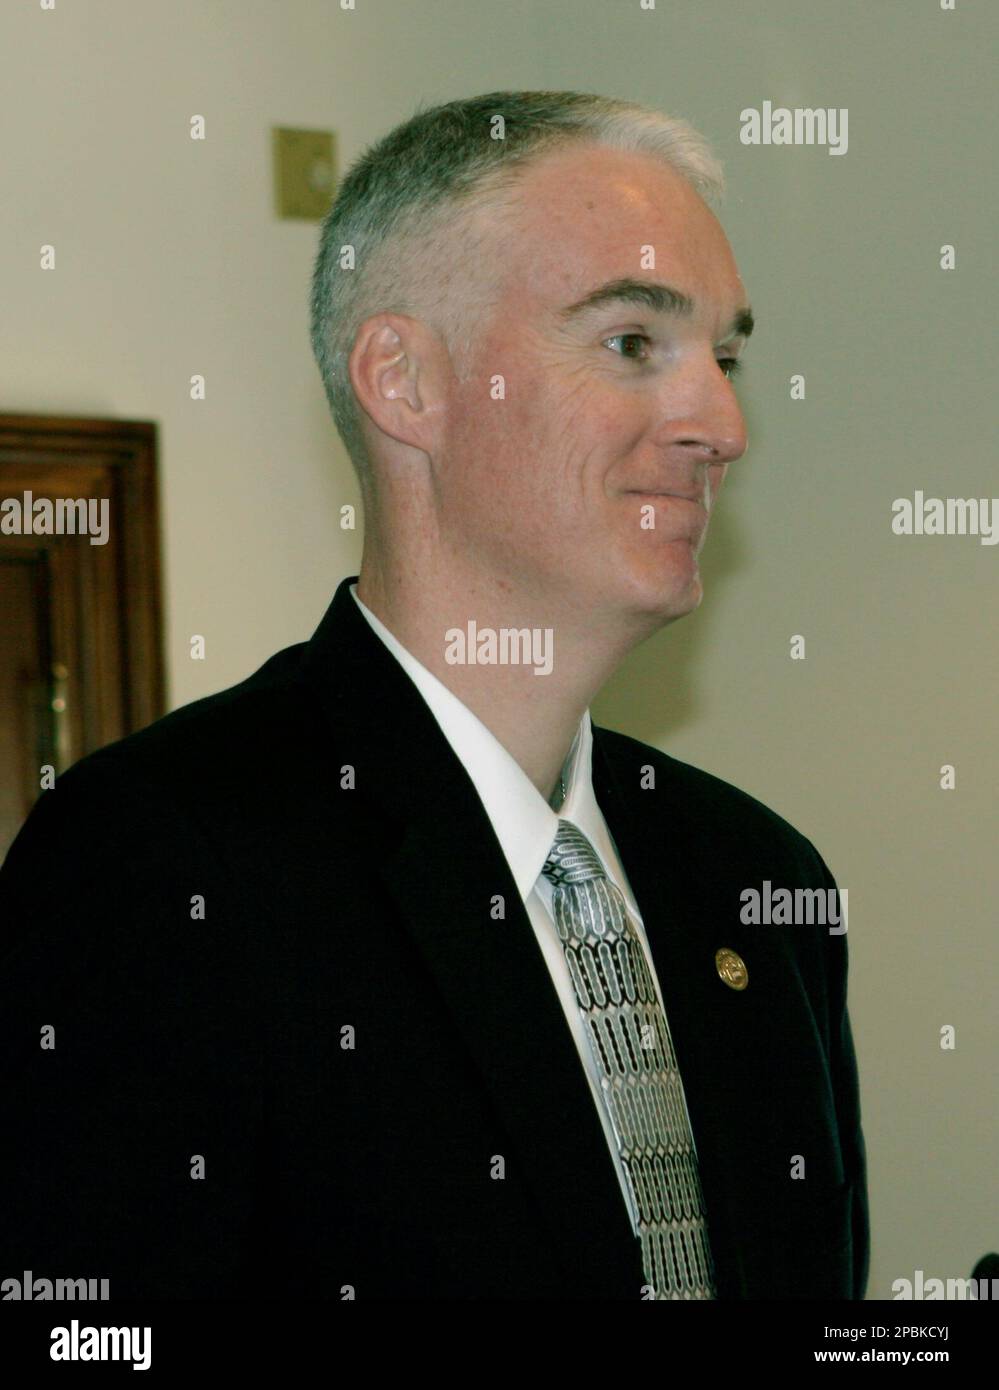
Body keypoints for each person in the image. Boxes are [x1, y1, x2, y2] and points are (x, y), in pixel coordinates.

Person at [0, 90, 868, 1300]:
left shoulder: (758, 881)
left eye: (726, 357)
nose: (722, 423)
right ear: (404, 381)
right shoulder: (170, 864)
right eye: (632, 344)